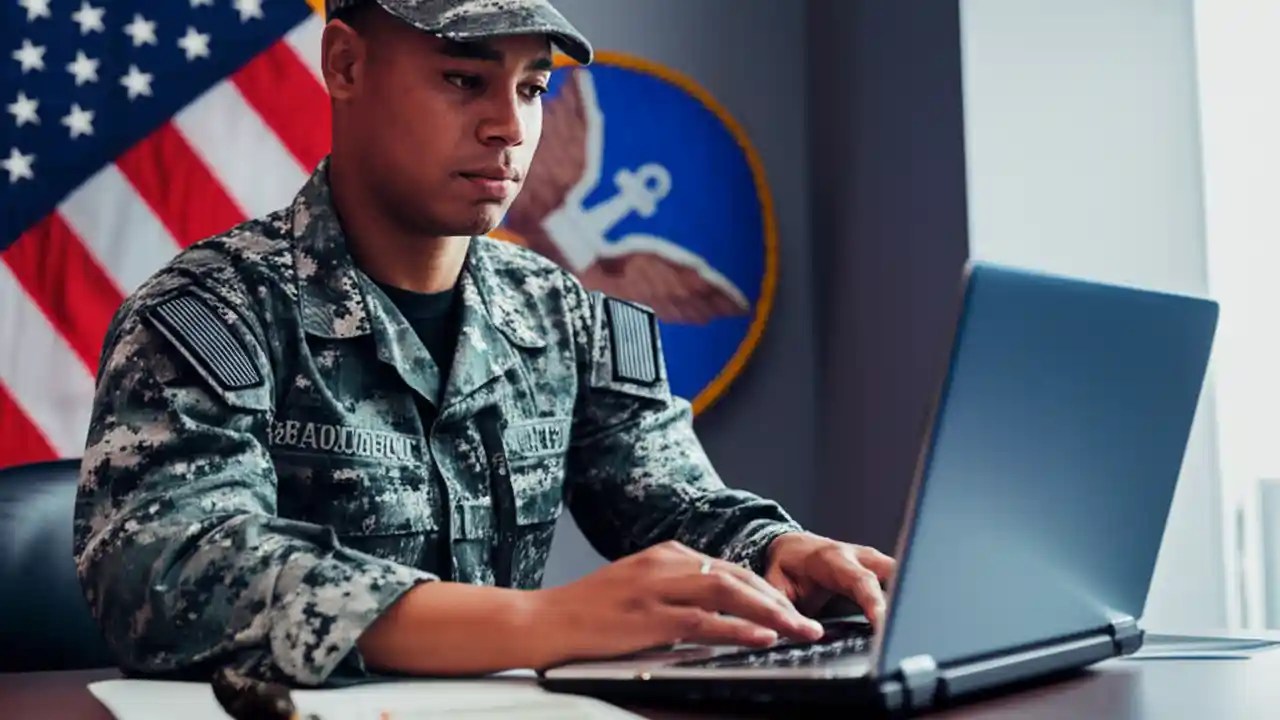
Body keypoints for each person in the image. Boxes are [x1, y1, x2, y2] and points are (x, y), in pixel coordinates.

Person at [73, 0, 896, 688]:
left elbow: (670, 498)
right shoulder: (210, 312)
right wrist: (544, 622)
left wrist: (779, 549)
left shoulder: (562, 314)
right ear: (346, 66)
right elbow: (172, 568)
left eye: (533, 88)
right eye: (465, 80)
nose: (510, 127)